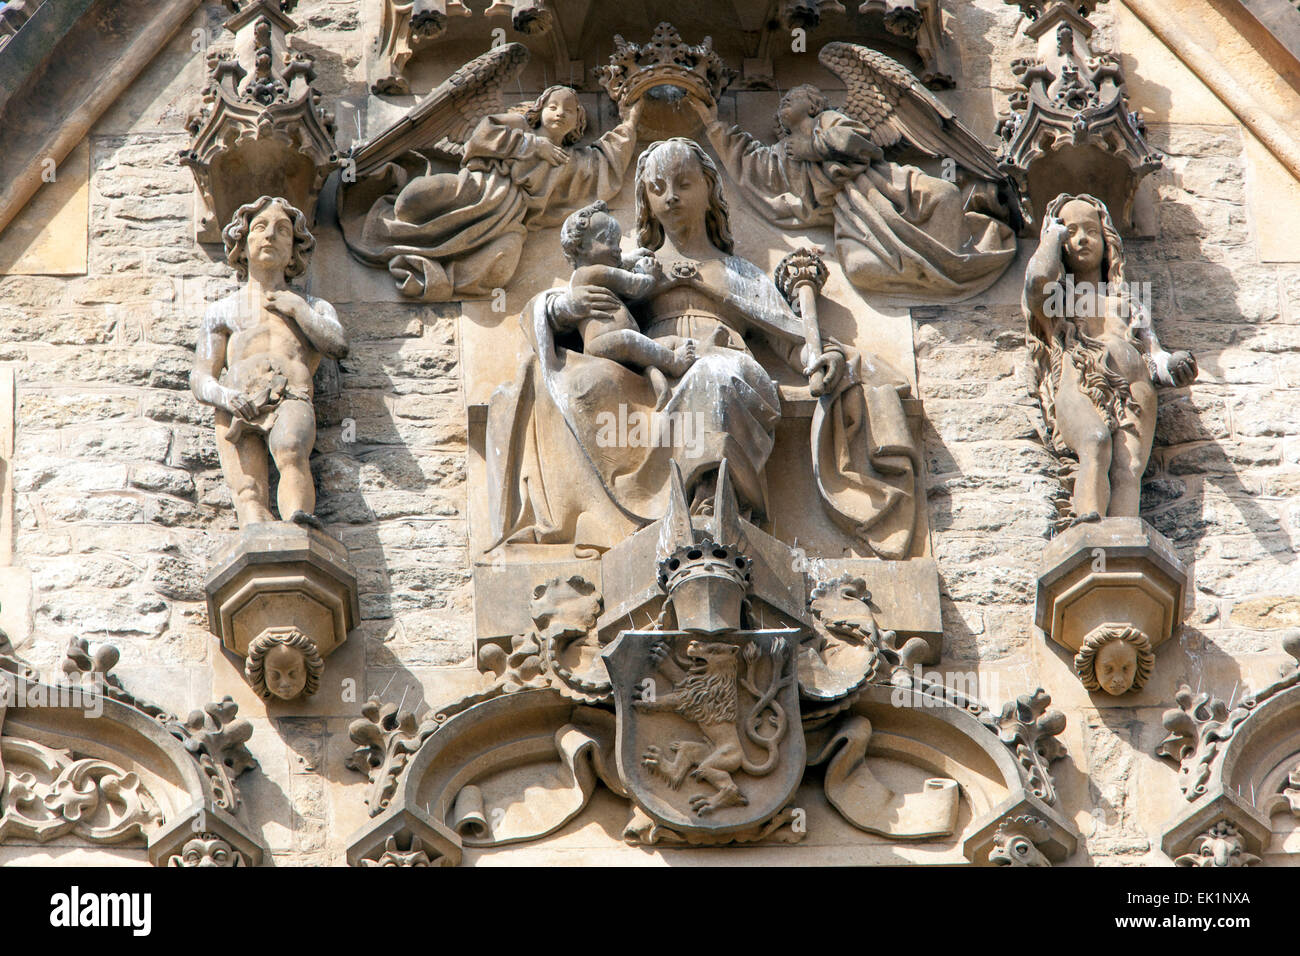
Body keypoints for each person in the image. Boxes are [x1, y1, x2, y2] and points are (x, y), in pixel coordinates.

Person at [487, 138, 921, 560]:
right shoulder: (637, 268)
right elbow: (570, 304)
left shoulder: (740, 272)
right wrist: (564, 304)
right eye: (657, 189)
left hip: (726, 363)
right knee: (575, 382)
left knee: (712, 373)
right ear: (645, 202)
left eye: (684, 184)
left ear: (709, 190)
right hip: (653, 371)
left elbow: (791, 341)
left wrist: (821, 357)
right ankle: (625, 514)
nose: (671, 198)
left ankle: (711, 505)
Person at [693, 86, 1015, 300]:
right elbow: (754, 165)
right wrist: (713, 124)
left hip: (886, 185)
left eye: (792, 97)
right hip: (852, 215)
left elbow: (856, 142)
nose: (783, 104)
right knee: (860, 272)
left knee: (945, 194)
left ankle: (959, 260)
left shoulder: (830, 120)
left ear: (815, 104)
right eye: (781, 103)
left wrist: (813, 146)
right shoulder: (783, 153)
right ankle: (929, 267)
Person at [343, 86, 641, 300]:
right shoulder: (521, 125)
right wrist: (532, 145)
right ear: (539, 110)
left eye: (569, 110)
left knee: (500, 270)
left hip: (509, 216)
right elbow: (482, 135)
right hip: (476, 186)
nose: (560, 113)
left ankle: (434, 275)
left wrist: (631, 123)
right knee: (410, 201)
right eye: (553, 106)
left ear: (579, 122)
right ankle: (388, 227)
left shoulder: (571, 160)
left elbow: (603, 164)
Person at [1023, 193, 1195, 521]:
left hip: (1134, 386)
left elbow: (1154, 355)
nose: (1082, 238)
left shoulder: (1127, 302)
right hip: (1081, 376)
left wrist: (1174, 367)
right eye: (1071, 231)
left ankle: (1123, 543)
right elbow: (1036, 279)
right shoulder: (1055, 300)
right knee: (1094, 440)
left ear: (1107, 240)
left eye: (1090, 230)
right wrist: (1050, 238)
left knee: (1128, 469)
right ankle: (1089, 525)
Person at [191, 196, 348, 528]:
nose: (270, 236)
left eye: (283, 231)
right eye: (260, 228)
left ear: (293, 252)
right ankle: (258, 540)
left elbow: (337, 345)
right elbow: (201, 377)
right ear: (243, 247)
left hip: (290, 395)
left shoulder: (312, 306)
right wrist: (226, 397)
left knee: (291, 450)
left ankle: (297, 523)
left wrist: (299, 311)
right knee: (247, 490)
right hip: (237, 401)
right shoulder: (223, 310)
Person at [559, 199, 695, 410]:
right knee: (631, 340)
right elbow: (633, 285)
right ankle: (673, 363)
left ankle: (681, 352)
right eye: (606, 240)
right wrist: (648, 274)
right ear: (581, 247)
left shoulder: (598, 271)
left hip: (619, 342)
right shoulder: (587, 274)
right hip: (602, 342)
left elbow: (620, 266)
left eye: (618, 243)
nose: (616, 249)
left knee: (667, 340)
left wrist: (634, 257)